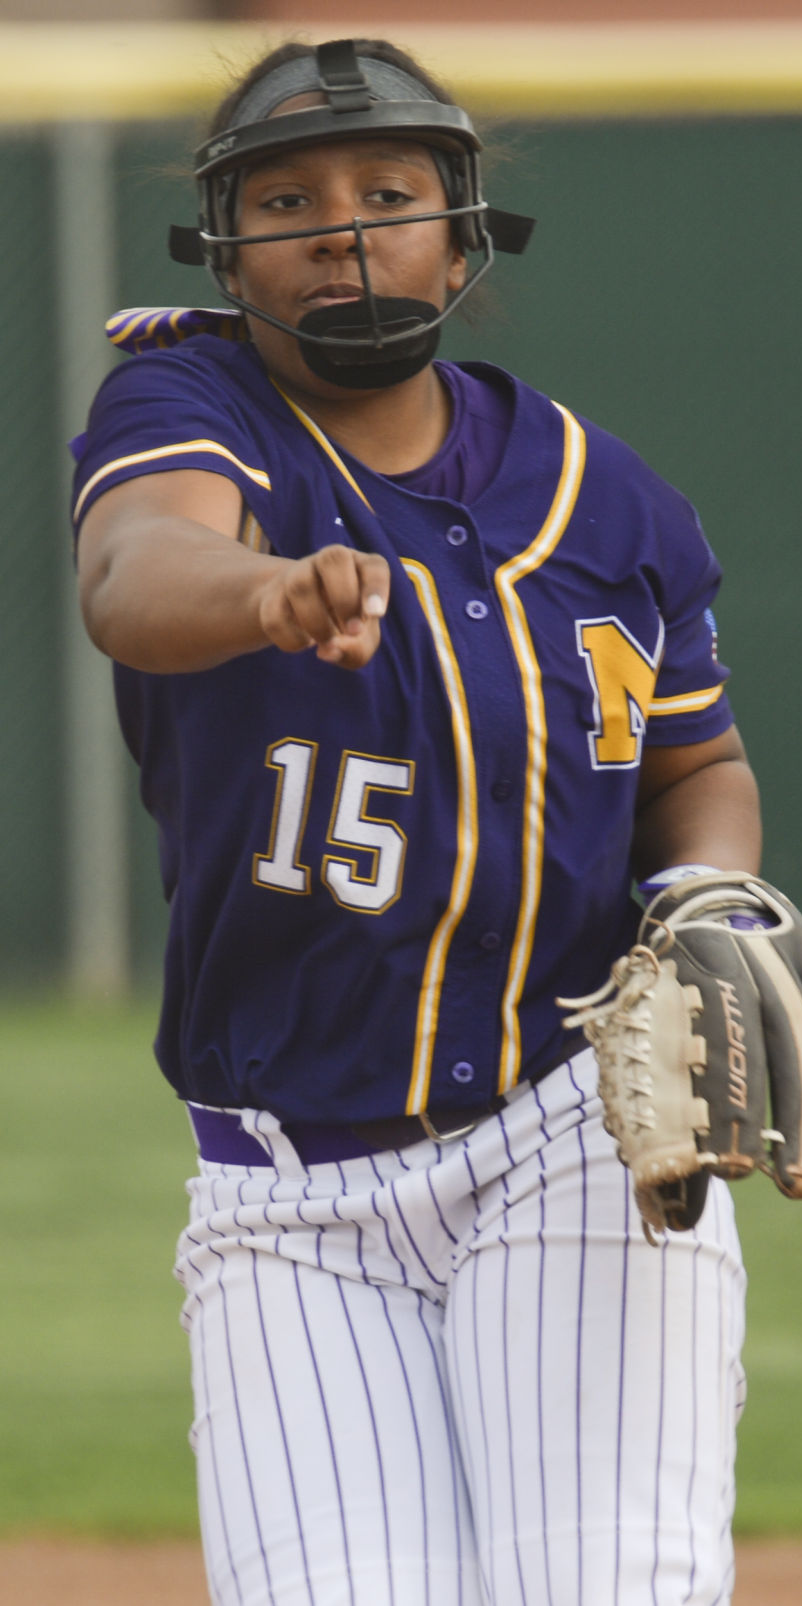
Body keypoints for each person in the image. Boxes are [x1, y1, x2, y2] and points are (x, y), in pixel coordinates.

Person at [72, 36, 761, 1606]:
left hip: (568, 1134)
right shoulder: (190, 406)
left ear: (461, 234)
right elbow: (130, 579)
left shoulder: (608, 497)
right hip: (282, 1189)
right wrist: (265, 590)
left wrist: (710, 902)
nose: (343, 227)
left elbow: (696, 768)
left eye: (389, 193)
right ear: (223, 247)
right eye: (289, 198)